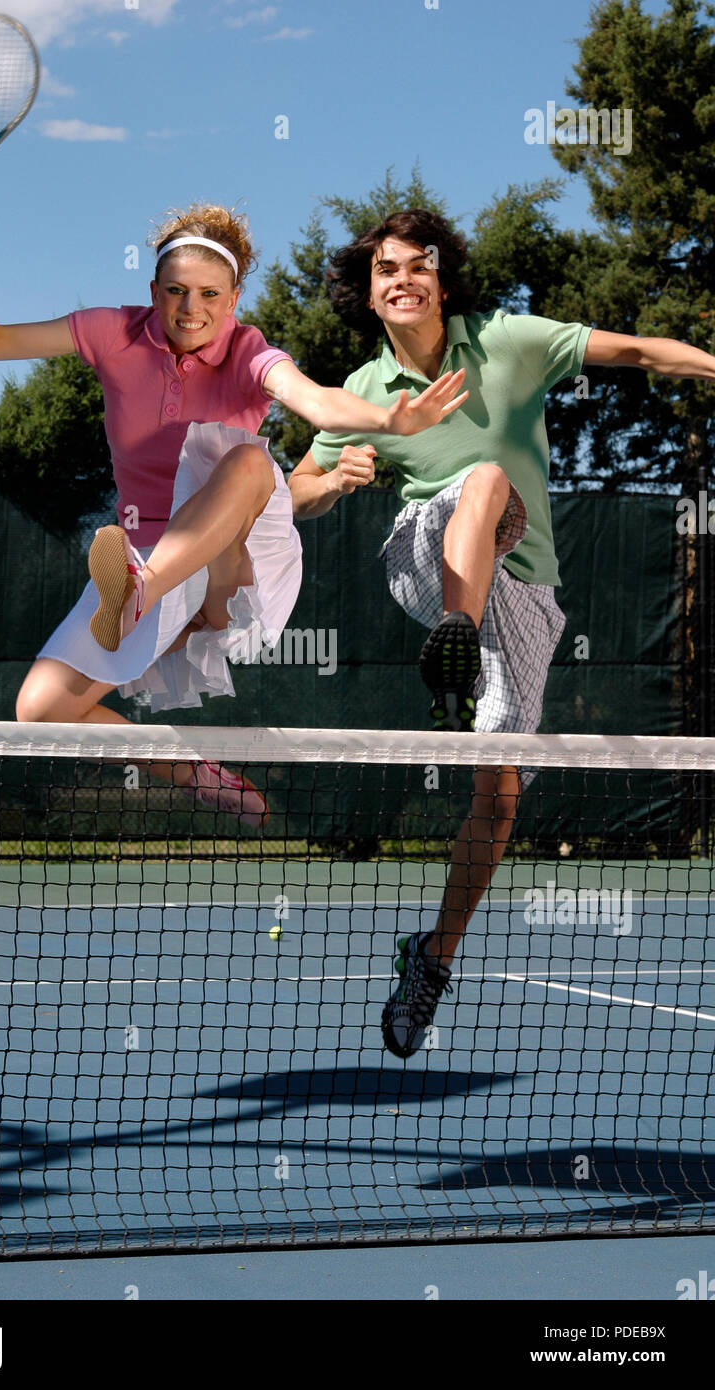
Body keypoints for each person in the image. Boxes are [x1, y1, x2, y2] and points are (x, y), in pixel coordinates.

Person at [288, 207, 715, 1057]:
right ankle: (454, 629)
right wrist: (336, 474)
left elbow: (636, 352)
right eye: (385, 271)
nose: (402, 278)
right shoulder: (364, 392)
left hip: (527, 597)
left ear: (443, 282)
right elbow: (290, 491)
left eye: (418, 265)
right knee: (482, 482)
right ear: (369, 296)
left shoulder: (508, 340)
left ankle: (433, 958)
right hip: (422, 561)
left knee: (500, 794)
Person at [0, 204, 467, 826]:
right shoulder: (112, 333)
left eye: (211, 294)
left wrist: (388, 418)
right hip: (141, 555)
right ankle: (194, 770)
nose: (192, 309)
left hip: (231, 565)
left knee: (245, 460)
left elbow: (315, 401)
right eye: (177, 292)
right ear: (153, 292)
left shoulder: (247, 351)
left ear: (234, 297)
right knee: (39, 712)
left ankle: (138, 593)